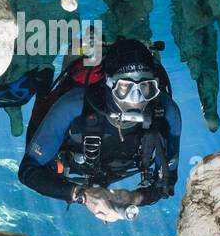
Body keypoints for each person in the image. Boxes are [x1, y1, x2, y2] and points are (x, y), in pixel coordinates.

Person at [15, 38, 181, 222]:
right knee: (41, 124)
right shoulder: (73, 106)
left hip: (115, 166)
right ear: (109, 83)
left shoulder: (167, 113)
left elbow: (166, 183)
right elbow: (28, 170)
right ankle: (43, 83)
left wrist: (134, 198)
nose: (136, 99)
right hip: (75, 160)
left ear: (155, 86)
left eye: (146, 88)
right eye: (125, 88)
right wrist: (81, 194)